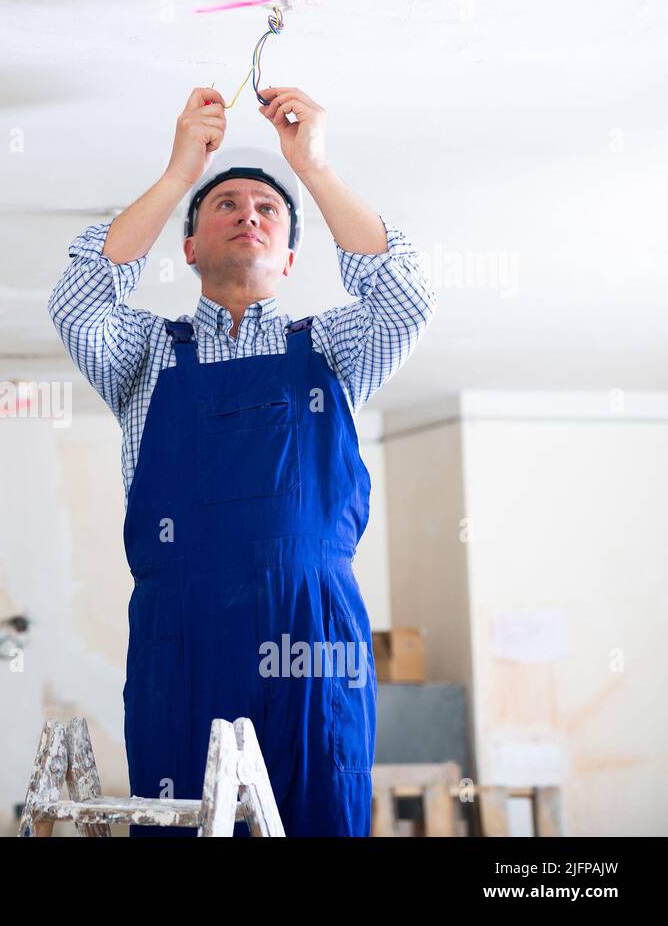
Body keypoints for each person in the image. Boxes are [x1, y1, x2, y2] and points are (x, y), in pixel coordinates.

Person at [47, 85, 436, 836]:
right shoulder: (143, 356)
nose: (249, 213)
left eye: (268, 209)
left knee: (319, 809)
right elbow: (79, 300)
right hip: (181, 630)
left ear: (290, 257)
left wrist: (314, 171)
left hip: (311, 632)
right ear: (188, 248)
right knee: (182, 817)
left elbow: (404, 300)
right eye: (225, 204)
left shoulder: (331, 348)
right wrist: (176, 174)